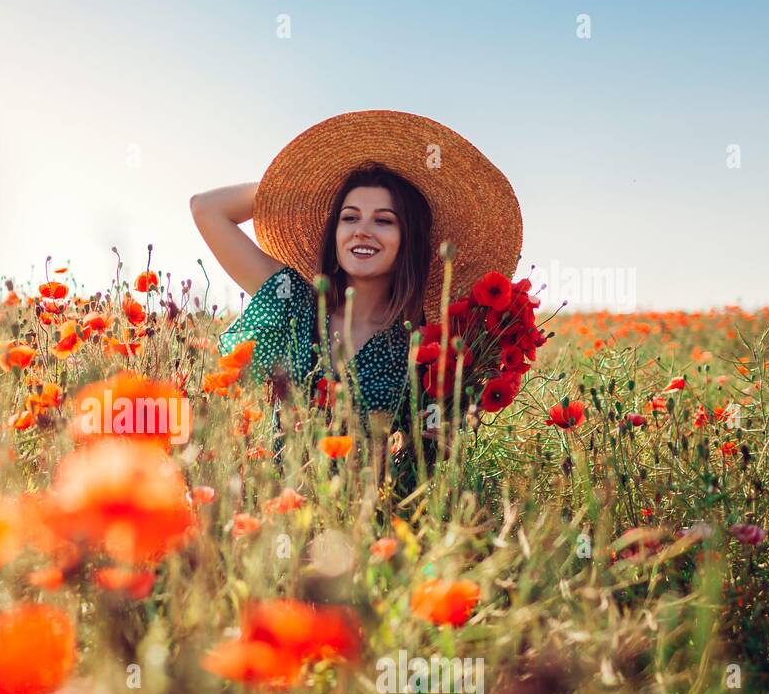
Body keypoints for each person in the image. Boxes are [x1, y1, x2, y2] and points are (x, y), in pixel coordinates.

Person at [190, 110, 523, 499]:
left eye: (384, 220)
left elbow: (426, 467)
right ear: (335, 232)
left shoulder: (422, 347)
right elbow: (206, 209)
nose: (362, 229)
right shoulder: (294, 299)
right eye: (349, 217)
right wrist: (296, 187)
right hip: (264, 510)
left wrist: (442, 440)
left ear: (409, 239)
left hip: (363, 522)